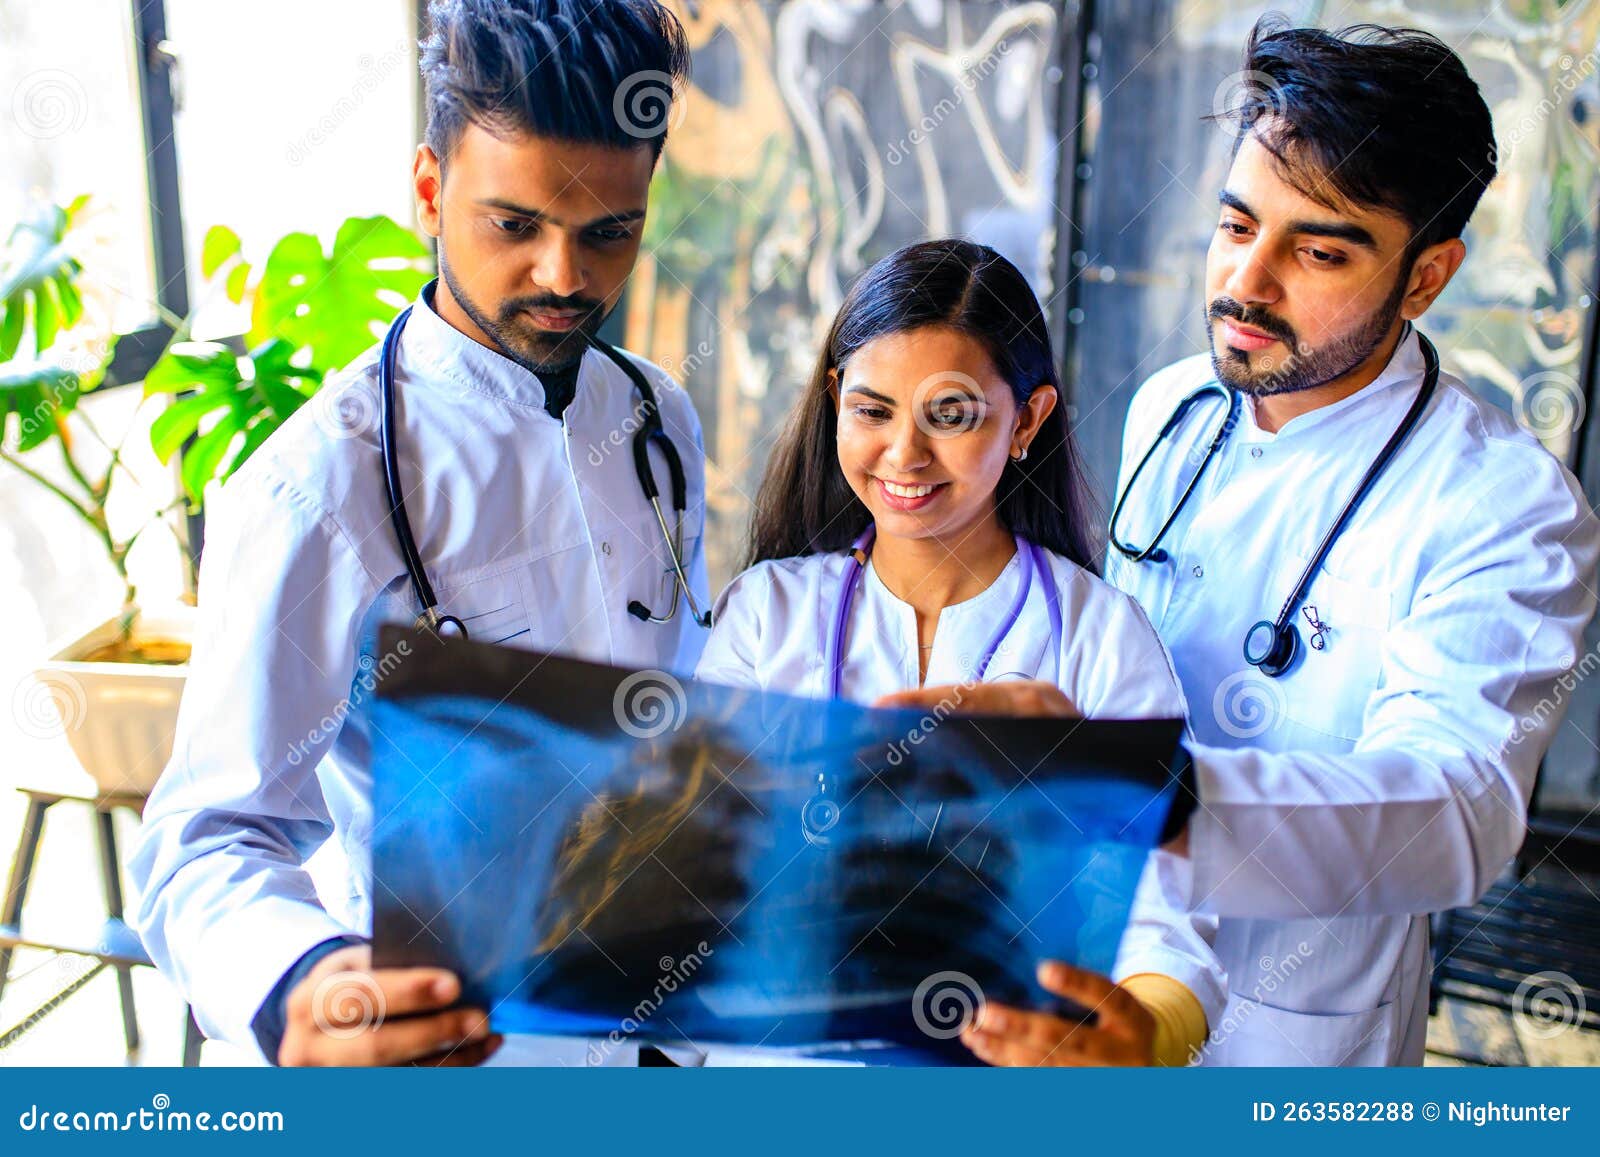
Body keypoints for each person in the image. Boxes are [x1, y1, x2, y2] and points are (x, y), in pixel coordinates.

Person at [889, 20, 1600, 1065]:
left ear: (1425, 277)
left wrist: (1148, 789)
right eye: (1235, 225)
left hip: (1291, 1040)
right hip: (1085, 986)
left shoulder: (1504, 504)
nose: (1246, 283)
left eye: (1318, 251)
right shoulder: (1173, 406)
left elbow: (1460, 810)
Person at [129, 0, 707, 1067]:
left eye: (607, 232)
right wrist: (299, 980)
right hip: (460, 1063)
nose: (565, 277)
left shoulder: (657, 416)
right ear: (432, 192)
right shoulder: (320, 485)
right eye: (515, 225)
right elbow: (203, 839)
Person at [695, 238, 1225, 1066]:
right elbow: (700, 870)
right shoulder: (766, 615)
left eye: (951, 415)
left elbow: (1165, 910)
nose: (904, 454)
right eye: (873, 411)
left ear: (1028, 420)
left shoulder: (1101, 636)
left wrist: (1143, 1034)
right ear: (836, 400)